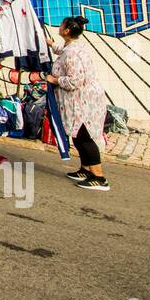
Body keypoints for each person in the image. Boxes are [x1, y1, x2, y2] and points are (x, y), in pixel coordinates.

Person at [45, 15, 110, 191]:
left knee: (83, 136)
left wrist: (55, 79)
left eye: (61, 25)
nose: (59, 26)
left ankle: (99, 177)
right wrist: (52, 45)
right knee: (77, 135)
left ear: (66, 31)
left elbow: (75, 80)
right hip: (84, 99)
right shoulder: (75, 46)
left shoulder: (72, 53)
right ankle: (86, 169)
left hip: (81, 101)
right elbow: (63, 51)